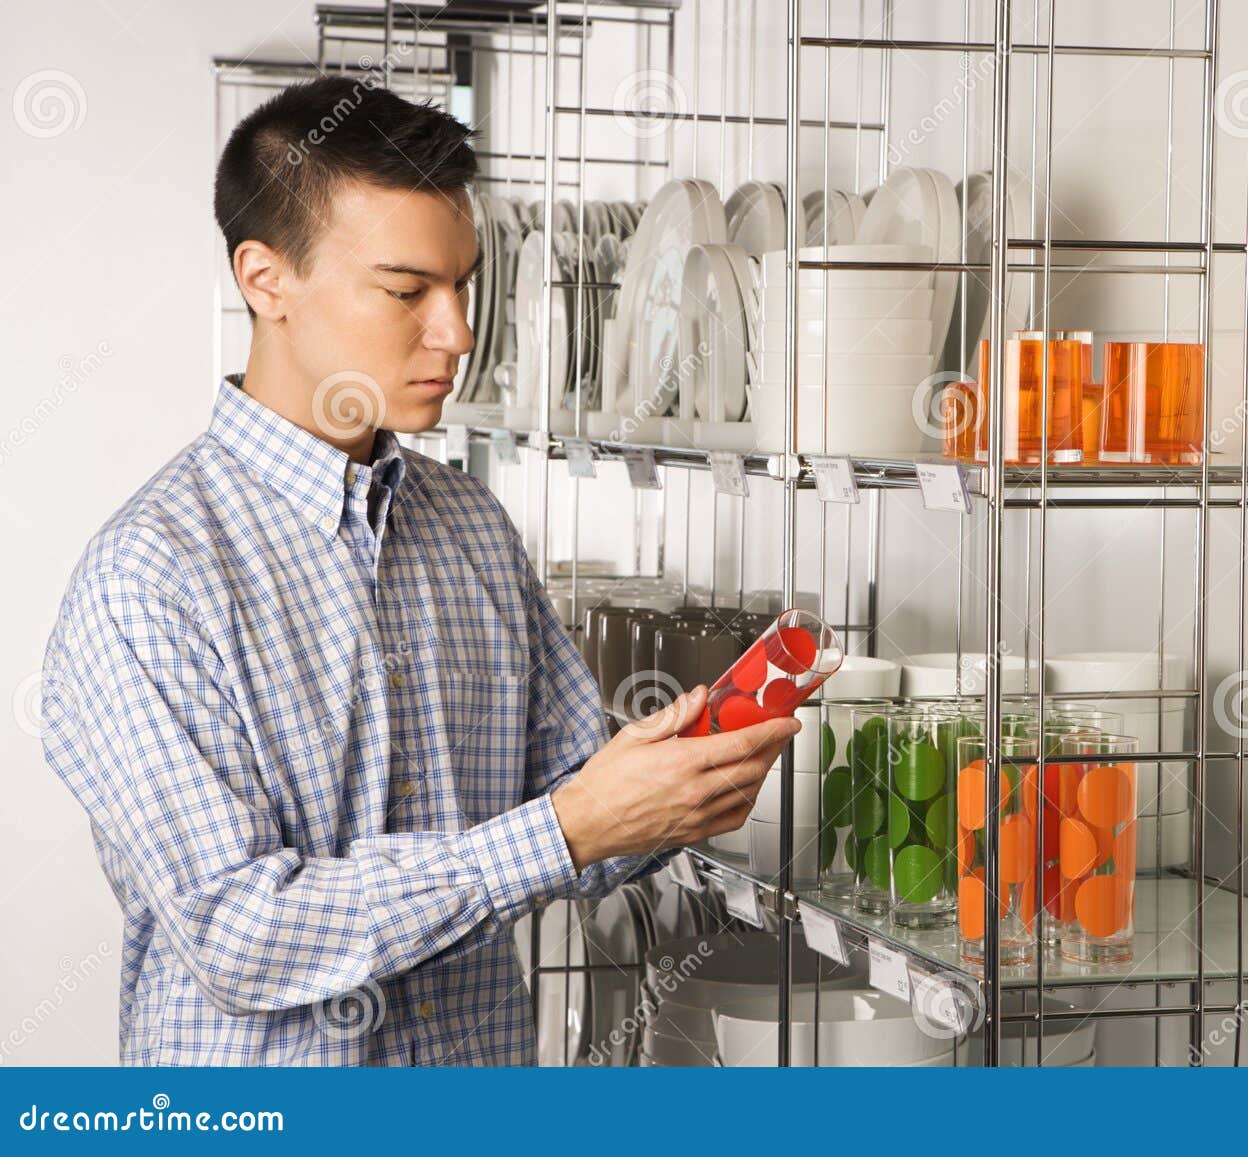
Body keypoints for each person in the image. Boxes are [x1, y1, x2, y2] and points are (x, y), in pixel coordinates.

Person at [38, 75, 797, 1066]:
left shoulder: (469, 527)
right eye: (406, 291)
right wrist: (566, 829)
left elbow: (568, 802)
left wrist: (688, 768)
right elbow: (243, 936)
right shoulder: (148, 580)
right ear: (266, 279)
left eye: (463, 284)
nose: (457, 333)